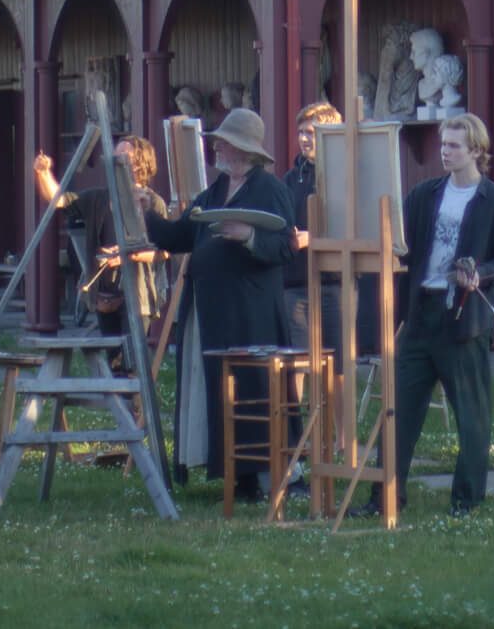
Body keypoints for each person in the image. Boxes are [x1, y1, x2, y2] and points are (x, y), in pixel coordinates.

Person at [143, 107, 293, 500]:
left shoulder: (269, 189)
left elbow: (283, 247)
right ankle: (234, 473)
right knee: (221, 391)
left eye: (224, 142)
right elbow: (179, 236)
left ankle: (261, 476)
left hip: (251, 312)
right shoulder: (213, 191)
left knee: (253, 390)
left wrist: (247, 236)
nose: (217, 147)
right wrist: (144, 212)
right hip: (213, 311)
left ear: (243, 149)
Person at [391, 113, 494, 516]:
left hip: (463, 319)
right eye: (444, 144)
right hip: (421, 312)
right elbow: (402, 250)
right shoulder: (423, 195)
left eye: (454, 145)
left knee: (471, 415)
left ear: (476, 150)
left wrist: (479, 274)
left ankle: (466, 502)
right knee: (400, 410)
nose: (445, 152)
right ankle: (386, 496)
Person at [32, 133, 168, 362]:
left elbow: (162, 251)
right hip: (105, 294)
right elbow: (59, 200)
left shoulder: (153, 203)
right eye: (114, 157)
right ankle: (116, 397)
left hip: (138, 293)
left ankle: (134, 399)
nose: (114, 162)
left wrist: (125, 256)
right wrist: (43, 173)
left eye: (122, 157)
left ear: (139, 164)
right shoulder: (98, 198)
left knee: (133, 361)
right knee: (112, 362)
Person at [281, 102, 340, 348]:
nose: (304, 139)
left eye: (311, 133)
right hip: (296, 281)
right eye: (301, 132)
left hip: (336, 281)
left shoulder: (342, 175)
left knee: (338, 362)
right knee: (299, 359)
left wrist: (313, 238)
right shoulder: (291, 178)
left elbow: (349, 225)